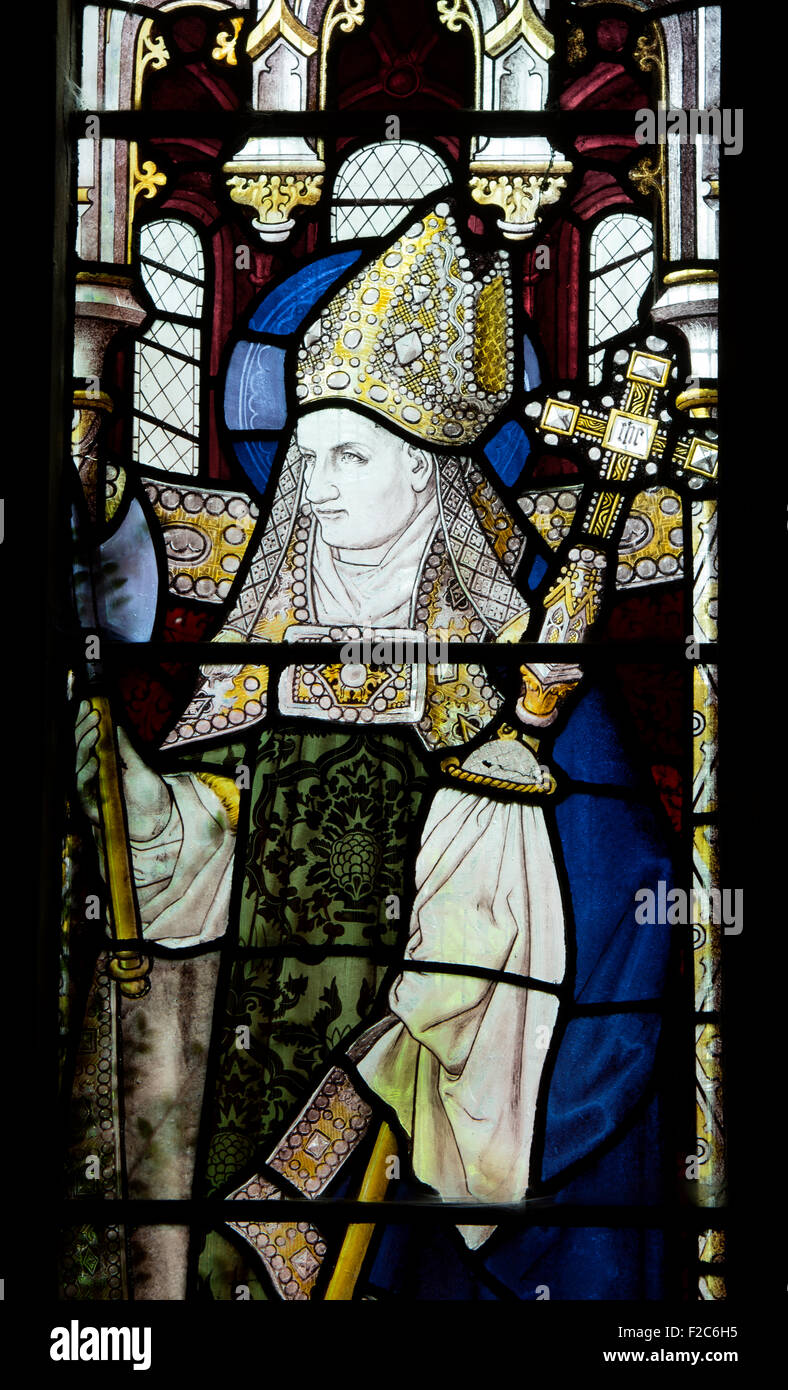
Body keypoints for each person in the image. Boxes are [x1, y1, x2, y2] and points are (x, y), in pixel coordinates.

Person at [73, 201, 673, 1300]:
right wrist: (97, 746)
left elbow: (622, 902)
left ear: (428, 470)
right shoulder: (275, 655)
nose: (319, 487)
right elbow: (194, 866)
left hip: (415, 1118)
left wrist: (436, 1004)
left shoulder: (526, 677)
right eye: (306, 460)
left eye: (351, 453)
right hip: (258, 1070)